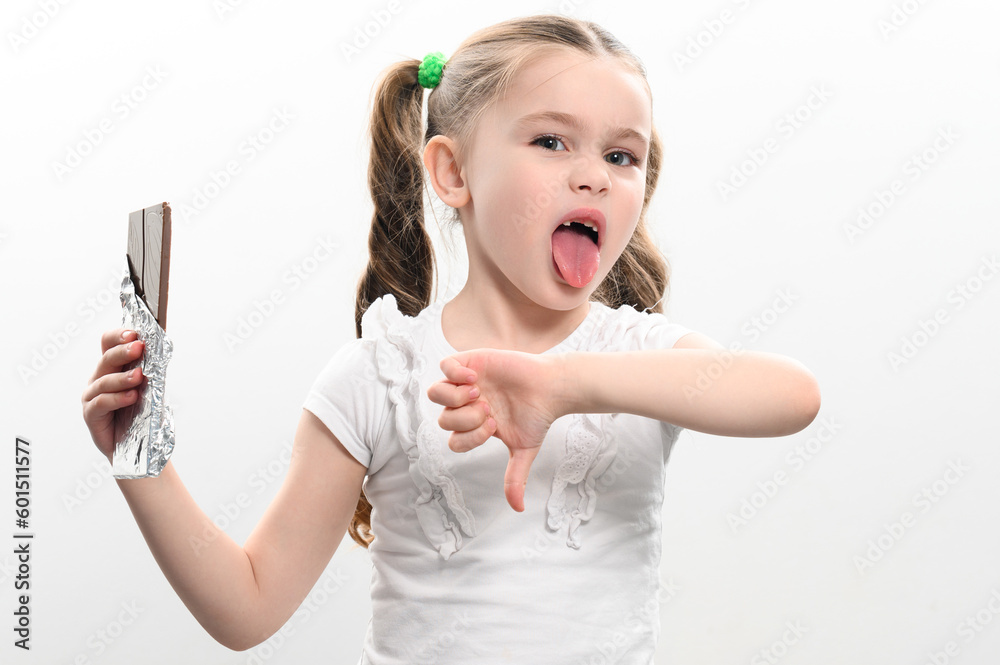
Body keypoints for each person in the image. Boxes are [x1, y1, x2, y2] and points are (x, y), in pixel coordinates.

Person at [81, 13, 820, 664]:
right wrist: (139, 459)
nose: (594, 176)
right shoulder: (381, 373)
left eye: (622, 155)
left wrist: (564, 384)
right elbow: (248, 606)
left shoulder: (640, 354)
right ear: (453, 169)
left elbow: (792, 396)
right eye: (552, 141)